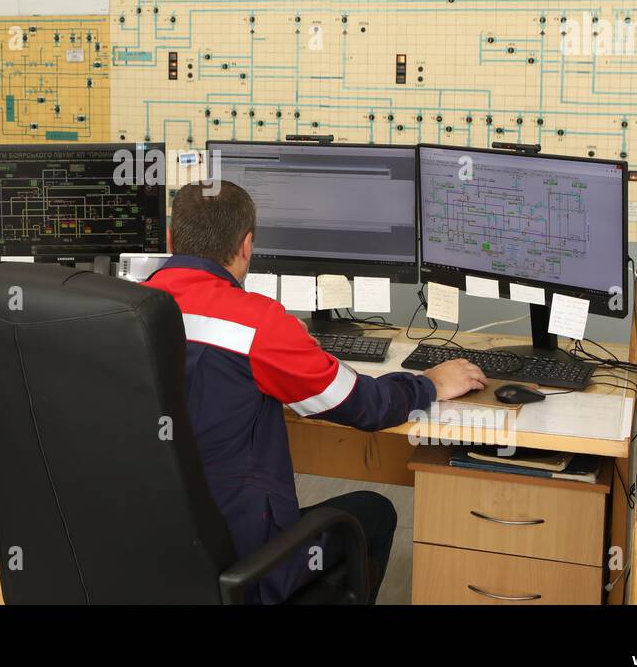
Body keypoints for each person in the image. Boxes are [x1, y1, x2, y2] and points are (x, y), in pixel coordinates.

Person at [143, 180, 487, 603]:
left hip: (148, 550)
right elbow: (363, 406)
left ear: (171, 240)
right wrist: (429, 384)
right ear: (247, 245)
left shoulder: (119, 309)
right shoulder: (259, 326)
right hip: (243, 561)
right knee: (373, 512)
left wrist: (287, 343)